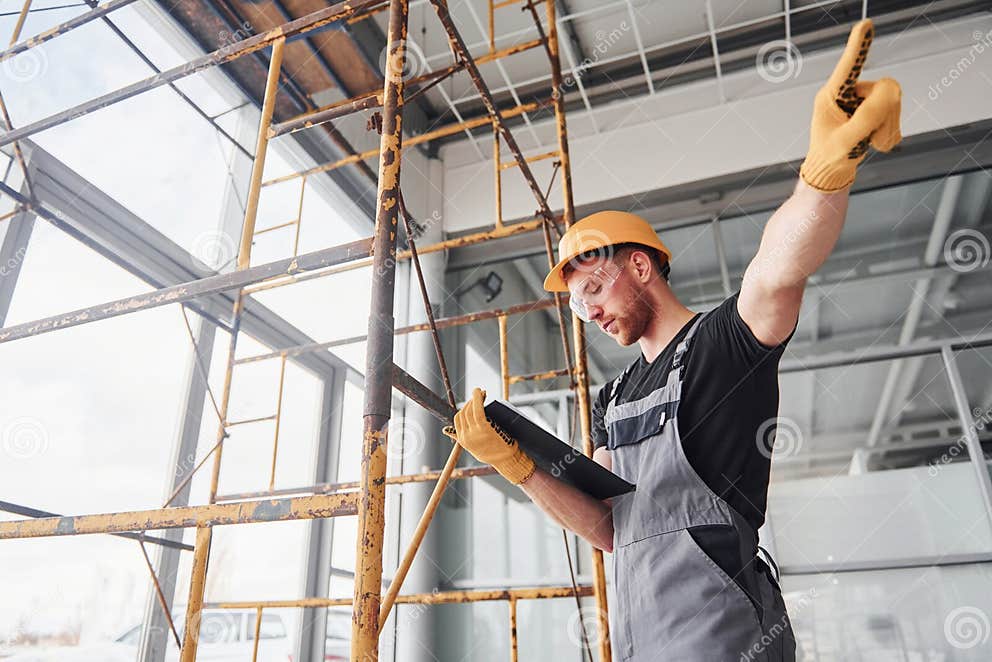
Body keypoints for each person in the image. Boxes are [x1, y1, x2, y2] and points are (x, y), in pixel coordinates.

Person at [447, 19, 901, 662]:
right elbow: (609, 529)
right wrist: (518, 467)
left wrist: (822, 176)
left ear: (639, 266)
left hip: (726, 635)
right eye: (578, 307)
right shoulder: (612, 397)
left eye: (595, 290)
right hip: (642, 641)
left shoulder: (720, 343)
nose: (591, 313)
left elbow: (776, 273)